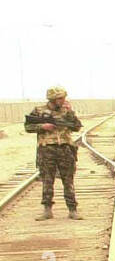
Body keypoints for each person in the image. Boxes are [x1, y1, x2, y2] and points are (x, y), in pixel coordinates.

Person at [25, 86, 82, 220]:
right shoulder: (38, 111)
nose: (62, 101)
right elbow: (27, 126)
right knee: (47, 180)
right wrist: (42, 126)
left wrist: (70, 112)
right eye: (60, 98)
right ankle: (47, 210)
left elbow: (77, 126)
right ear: (52, 99)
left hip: (65, 148)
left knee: (68, 180)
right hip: (47, 149)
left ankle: (72, 210)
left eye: (63, 98)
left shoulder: (67, 110)